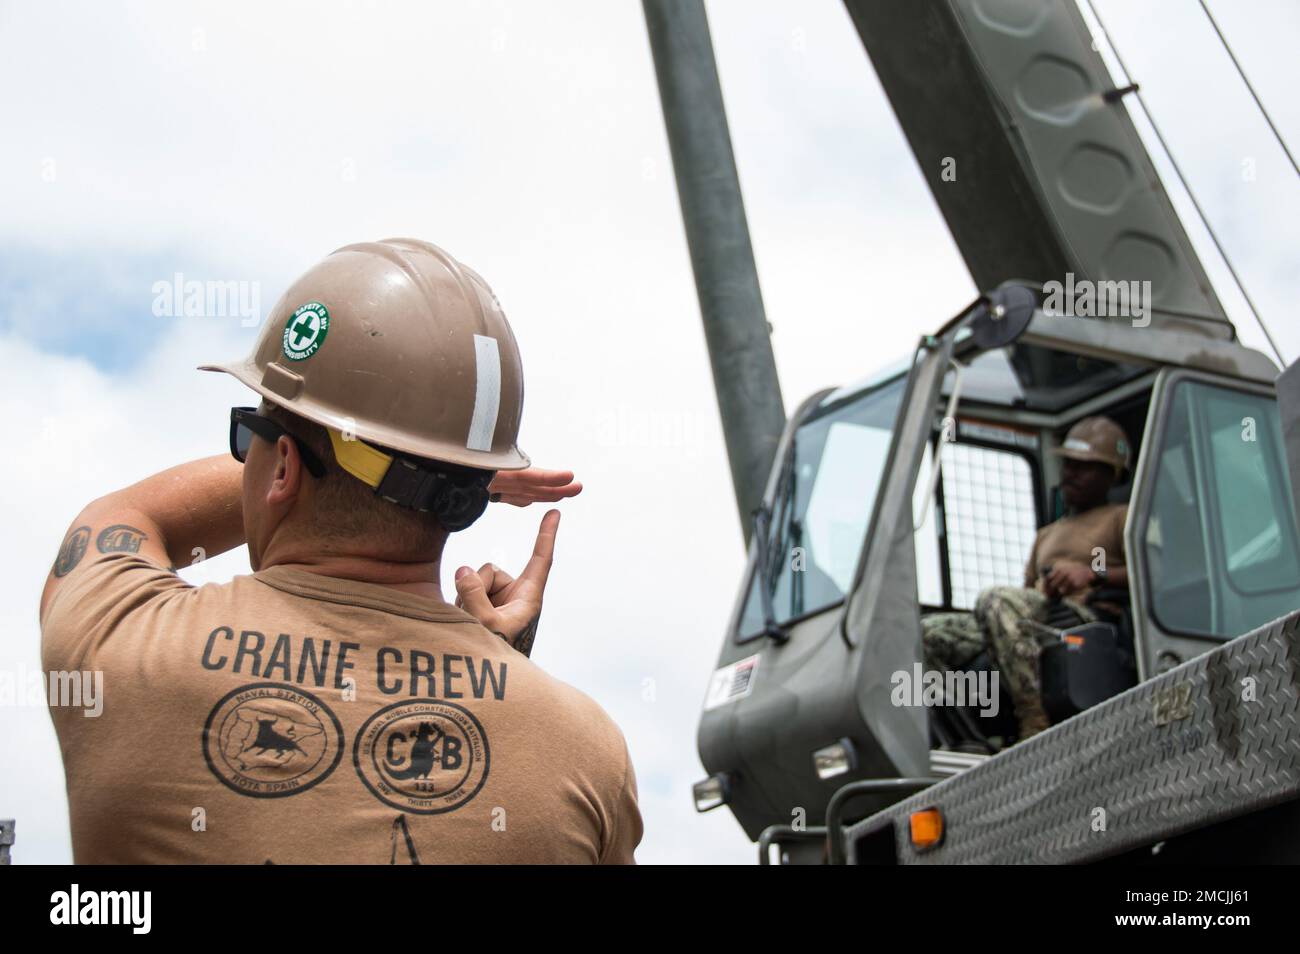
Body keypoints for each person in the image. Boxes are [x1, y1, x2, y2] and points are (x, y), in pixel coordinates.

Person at [40, 238, 643, 863]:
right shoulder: (585, 753)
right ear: (458, 495)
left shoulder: (118, 649)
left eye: (251, 436)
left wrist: (403, 464)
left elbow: (125, 518)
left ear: (282, 469)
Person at [921, 416, 1132, 742]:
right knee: (925, 635)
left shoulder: (1123, 518)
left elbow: (1152, 577)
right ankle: (969, 739)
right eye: (1068, 464)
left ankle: (1033, 718)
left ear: (1112, 474)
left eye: (1084, 466)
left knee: (995, 600)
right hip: (1040, 613)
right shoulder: (1046, 535)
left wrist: (1093, 573)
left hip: (1080, 618)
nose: (1071, 473)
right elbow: (1024, 595)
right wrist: (1044, 589)